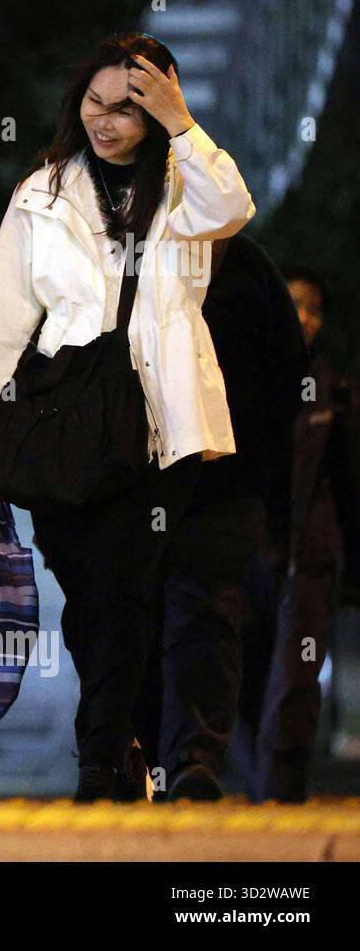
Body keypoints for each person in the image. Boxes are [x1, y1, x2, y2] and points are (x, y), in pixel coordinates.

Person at [0, 33, 255, 802]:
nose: (106, 121)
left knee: (126, 586)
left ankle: (100, 761)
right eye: (95, 103)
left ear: (157, 112)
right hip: (64, 420)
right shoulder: (41, 192)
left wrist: (184, 124)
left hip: (161, 420)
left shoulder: (186, 182)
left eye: (129, 108)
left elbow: (234, 207)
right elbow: (5, 320)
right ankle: (123, 741)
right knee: (92, 594)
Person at [134, 233, 306, 800]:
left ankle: (192, 759)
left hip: (222, 485)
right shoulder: (122, 247)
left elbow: (289, 376)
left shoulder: (244, 261)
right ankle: (146, 754)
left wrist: (260, 472)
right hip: (136, 483)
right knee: (143, 618)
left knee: (205, 614)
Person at [235, 265, 359, 801]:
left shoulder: (333, 390)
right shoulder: (237, 382)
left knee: (298, 673)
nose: (303, 318)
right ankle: (248, 783)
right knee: (241, 674)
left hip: (309, 558)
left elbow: (348, 482)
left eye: (314, 309)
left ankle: (279, 790)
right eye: (293, 305)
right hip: (248, 554)